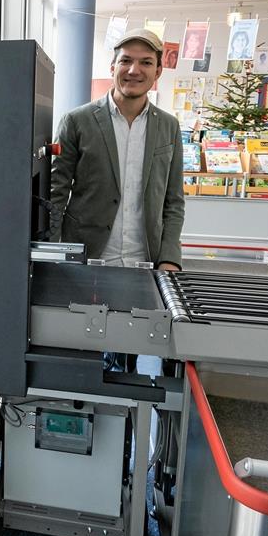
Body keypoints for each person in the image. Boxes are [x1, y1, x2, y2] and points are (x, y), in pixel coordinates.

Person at [50, 29, 185, 369]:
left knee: (130, 354)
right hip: (87, 260)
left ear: (157, 72)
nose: (134, 70)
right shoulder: (78, 121)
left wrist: (169, 257)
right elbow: (55, 191)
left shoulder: (168, 127)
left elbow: (174, 200)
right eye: (126, 60)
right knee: (82, 350)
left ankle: (124, 418)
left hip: (143, 262)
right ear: (112, 65)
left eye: (145, 62)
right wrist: (53, 253)